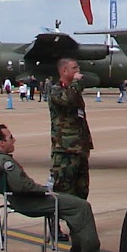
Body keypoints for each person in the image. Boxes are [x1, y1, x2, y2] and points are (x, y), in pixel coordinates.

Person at [0, 124, 113, 252]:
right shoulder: (5, 162)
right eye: (10, 138)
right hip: (30, 201)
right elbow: (22, 185)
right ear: (1, 143)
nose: (14, 140)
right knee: (81, 206)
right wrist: (44, 190)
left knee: (72, 203)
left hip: (21, 200)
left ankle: (79, 247)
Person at [47, 56, 94, 199]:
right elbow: (67, 100)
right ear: (64, 71)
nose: (78, 71)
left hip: (79, 149)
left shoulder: (74, 90)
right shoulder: (56, 91)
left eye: (78, 68)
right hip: (65, 150)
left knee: (82, 191)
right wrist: (76, 83)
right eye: (74, 68)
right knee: (64, 191)